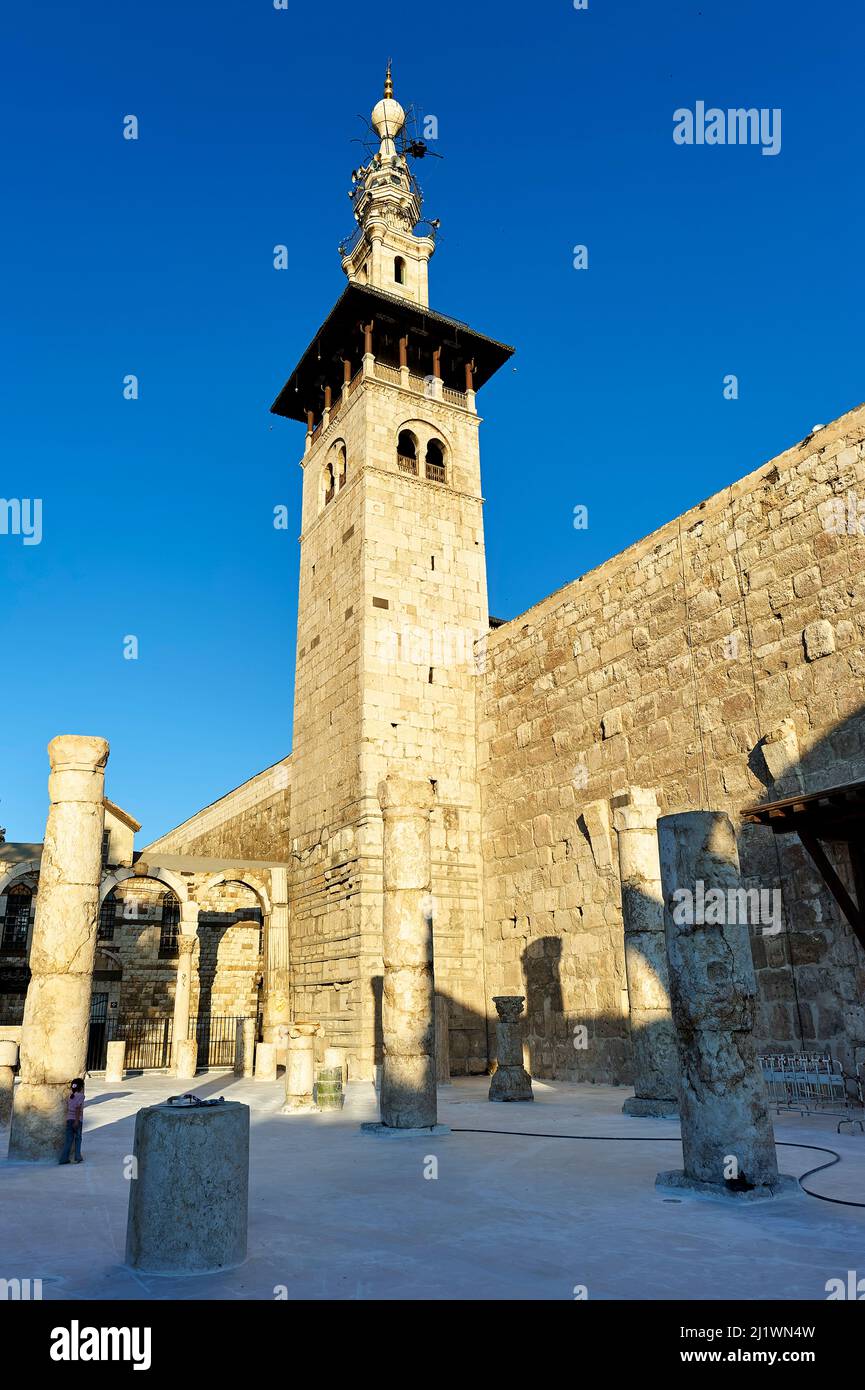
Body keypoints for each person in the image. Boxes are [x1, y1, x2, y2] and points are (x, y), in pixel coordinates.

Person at [58, 1078, 85, 1164]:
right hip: (77, 1120)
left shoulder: (70, 1096)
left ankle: (63, 1158)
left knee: (68, 1140)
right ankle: (77, 1156)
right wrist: (77, 1121)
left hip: (69, 1119)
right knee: (78, 1139)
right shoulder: (81, 1096)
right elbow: (78, 1108)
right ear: (81, 1087)